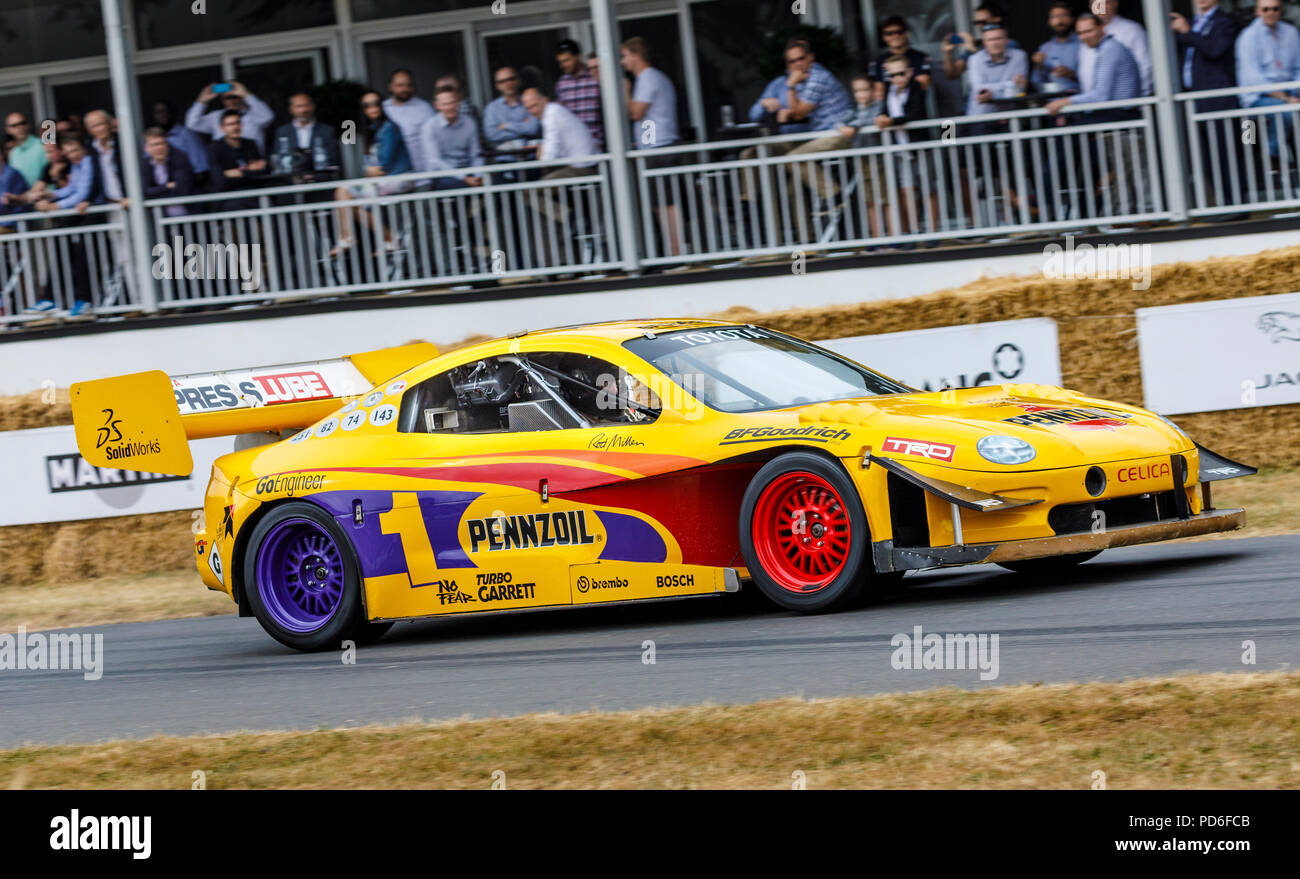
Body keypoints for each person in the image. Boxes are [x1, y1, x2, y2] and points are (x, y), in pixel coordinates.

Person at [1046, 14, 1143, 214]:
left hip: (1120, 114)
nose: (1084, 37)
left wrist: (1065, 102)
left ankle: (1050, 201)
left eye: (1089, 31)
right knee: (1079, 154)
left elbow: (1101, 95)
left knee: (1065, 148)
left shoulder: (1110, 50)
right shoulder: (1104, 49)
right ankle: (1078, 208)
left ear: (1102, 30)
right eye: (1080, 33)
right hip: (1111, 114)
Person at [1173, 0, 1240, 205]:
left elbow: (1215, 49)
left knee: (1226, 154)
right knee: (1207, 158)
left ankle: (1235, 204)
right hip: (1195, 99)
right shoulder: (1194, 22)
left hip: (1219, 100)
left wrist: (1187, 32)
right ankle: (1221, 203)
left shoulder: (1223, 21)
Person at [330, 91, 412, 257]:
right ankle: (387, 237)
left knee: (344, 192)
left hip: (396, 179)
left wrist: (370, 170)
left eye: (375, 103)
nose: (372, 107)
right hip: (383, 181)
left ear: (381, 105)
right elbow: (370, 167)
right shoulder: (371, 130)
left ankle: (350, 237)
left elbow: (383, 166)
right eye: (367, 105)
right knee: (344, 196)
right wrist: (369, 170)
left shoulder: (389, 128)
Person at [622, 36, 681, 256]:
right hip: (654, 147)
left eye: (625, 56)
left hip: (660, 148)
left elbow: (636, 113)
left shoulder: (648, 78)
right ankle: (672, 252)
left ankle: (676, 253)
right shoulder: (649, 78)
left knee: (666, 204)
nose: (623, 62)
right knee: (660, 204)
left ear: (636, 55)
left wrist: (624, 90)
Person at [521, 87, 597, 259]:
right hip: (582, 164)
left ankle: (570, 217)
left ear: (544, 100)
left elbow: (550, 156)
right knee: (539, 189)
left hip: (582, 167)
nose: (533, 111)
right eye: (529, 108)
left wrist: (541, 156)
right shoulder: (555, 111)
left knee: (528, 192)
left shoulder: (551, 115)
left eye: (534, 106)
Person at [27, 137, 97, 316]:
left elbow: (82, 192)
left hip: (92, 217)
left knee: (82, 257)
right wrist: (50, 195)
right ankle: (51, 299)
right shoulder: (76, 164)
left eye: (75, 151)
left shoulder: (88, 161)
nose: (72, 155)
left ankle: (83, 301)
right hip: (76, 217)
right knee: (62, 251)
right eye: (69, 152)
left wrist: (54, 206)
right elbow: (71, 189)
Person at [1236, 0, 1300, 160]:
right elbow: (1254, 80)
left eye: (1275, 9)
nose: (1270, 12)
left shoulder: (1290, 32)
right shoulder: (1248, 36)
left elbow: (1298, 68)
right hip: (1257, 98)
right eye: (1265, 9)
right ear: (1258, 11)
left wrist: (1294, 93)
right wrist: (1285, 98)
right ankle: (1273, 157)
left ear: (1281, 11)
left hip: (1291, 93)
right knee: (1285, 112)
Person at [965, 24, 1029, 133]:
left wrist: (991, 93)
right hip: (982, 116)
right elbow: (979, 89)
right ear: (984, 43)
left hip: (1011, 115)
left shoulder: (1019, 56)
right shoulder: (974, 59)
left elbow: (1019, 89)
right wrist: (1010, 84)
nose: (995, 43)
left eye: (999, 38)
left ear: (1006, 40)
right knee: (981, 148)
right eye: (990, 40)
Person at [418, 85, 484, 189]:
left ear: (458, 102)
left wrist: (479, 175)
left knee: (495, 182)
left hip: (467, 171)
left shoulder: (469, 122)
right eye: (445, 104)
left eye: (452, 102)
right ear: (437, 106)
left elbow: (475, 154)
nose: (450, 107)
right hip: (442, 176)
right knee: (460, 186)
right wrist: (464, 178)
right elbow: (435, 161)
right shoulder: (429, 127)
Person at [269, 92, 341, 180]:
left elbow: (332, 159)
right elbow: (279, 158)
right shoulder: (282, 132)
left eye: (307, 105)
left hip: (320, 179)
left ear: (313, 106)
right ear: (291, 109)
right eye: (299, 106)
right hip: (291, 179)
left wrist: (315, 175)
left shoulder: (326, 130)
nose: (304, 109)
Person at [185, 81, 274, 151]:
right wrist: (201, 100)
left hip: (255, 165)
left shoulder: (254, 114)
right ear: (222, 100)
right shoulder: (216, 117)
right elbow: (191, 124)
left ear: (241, 97)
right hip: (227, 168)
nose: (231, 101)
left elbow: (268, 117)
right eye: (227, 98)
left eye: (234, 96)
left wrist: (246, 94)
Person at [208, 110, 268, 210]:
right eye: (230, 124)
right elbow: (220, 180)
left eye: (237, 123)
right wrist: (249, 170)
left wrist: (238, 172)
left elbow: (263, 172)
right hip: (228, 198)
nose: (235, 127)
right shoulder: (214, 148)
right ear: (222, 128)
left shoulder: (250, 144)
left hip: (253, 194)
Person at [943, 3, 1020, 80]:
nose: (979, 26)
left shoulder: (1009, 43)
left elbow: (997, 67)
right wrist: (947, 53)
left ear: (997, 19)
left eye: (983, 22)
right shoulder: (977, 46)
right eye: (976, 23)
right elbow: (953, 74)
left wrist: (973, 49)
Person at [382, 69, 436, 174]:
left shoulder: (424, 108)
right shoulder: (383, 109)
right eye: (400, 85)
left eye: (408, 85)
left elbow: (435, 139)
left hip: (422, 172)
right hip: (393, 174)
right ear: (391, 87)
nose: (405, 89)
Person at [555, 40, 604, 150]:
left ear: (578, 56)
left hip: (598, 144)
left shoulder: (594, 76)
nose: (563, 65)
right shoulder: (561, 83)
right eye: (560, 62)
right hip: (574, 147)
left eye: (566, 60)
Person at [869, 17, 933, 100]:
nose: (895, 36)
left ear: (907, 33)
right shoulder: (877, 62)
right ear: (884, 37)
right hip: (888, 109)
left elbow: (922, 86)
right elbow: (878, 94)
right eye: (889, 33)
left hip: (915, 108)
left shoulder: (921, 57)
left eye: (899, 32)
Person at [149, 100, 209, 188]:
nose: (162, 114)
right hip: (160, 193)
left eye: (164, 110)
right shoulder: (150, 139)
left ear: (172, 113)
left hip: (186, 189)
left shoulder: (187, 135)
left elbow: (201, 171)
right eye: (158, 112)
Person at [1098, 1, 1153, 96]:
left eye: (1105, 2)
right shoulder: (1085, 35)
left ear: (1115, 3)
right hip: (1097, 104)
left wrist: (1140, 97)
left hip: (1130, 102)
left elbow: (1145, 66)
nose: (1100, 7)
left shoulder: (1131, 29)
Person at [483, 65, 541, 154]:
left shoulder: (528, 101)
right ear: (497, 86)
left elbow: (533, 128)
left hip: (530, 158)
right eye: (502, 81)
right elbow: (491, 134)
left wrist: (507, 125)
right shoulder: (492, 108)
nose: (508, 83)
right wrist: (523, 129)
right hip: (505, 161)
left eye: (511, 79)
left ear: (518, 81)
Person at [140, 127, 195, 216]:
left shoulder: (179, 158)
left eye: (162, 143)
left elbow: (182, 189)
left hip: (184, 212)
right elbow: (144, 192)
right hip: (158, 215)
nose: (159, 148)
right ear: (147, 148)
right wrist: (166, 186)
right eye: (155, 145)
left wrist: (156, 192)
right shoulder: (144, 165)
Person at [1033, 2, 1081, 94]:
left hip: (1079, 100)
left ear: (1072, 19)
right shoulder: (1045, 48)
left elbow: (1095, 77)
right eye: (1054, 17)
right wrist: (1039, 66)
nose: (1059, 21)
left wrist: (1072, 74)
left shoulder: (1082, 43)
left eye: (1063, 16)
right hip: (1053, 101)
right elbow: (1037, 83)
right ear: (1049, 22)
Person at [84, 110, 126, 208]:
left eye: (101, 124)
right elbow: (94, 178)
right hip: (110, 203)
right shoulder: (90, 148)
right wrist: (88, 200)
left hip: (129, 200)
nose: (99, 129)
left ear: (109, 124)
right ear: (89, 130)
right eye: (94, 126)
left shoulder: (122, 142)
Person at [5, 113, 47, 188]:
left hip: (47, 196)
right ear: (8, 130)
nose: (20, 127)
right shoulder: (13, 153)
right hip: (25, 197)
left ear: (28, 125)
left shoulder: (42, 145)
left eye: (23, 123)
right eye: (14, 125)